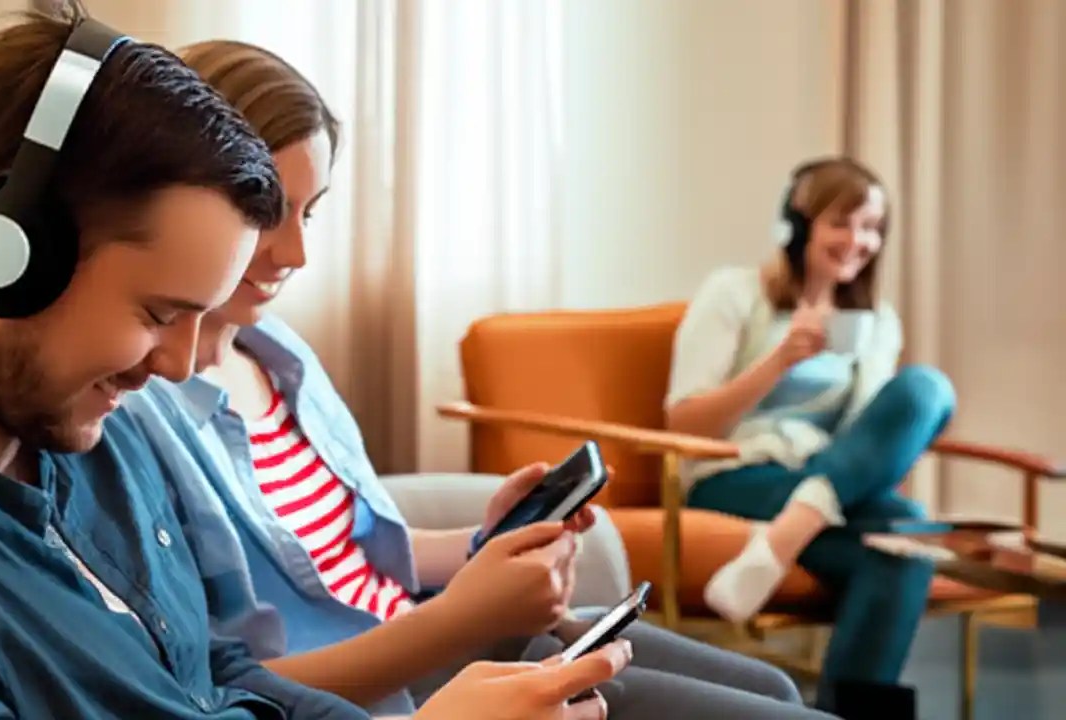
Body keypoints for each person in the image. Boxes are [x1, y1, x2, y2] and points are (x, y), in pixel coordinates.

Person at [0, 6, 628, 719]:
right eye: (157, 314)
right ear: (2, 253)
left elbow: (213, 674)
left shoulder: (80, 435)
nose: (180, 366)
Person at [121, 39, 836, 720]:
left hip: (437, 633)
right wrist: (460, 621)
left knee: (770, 683)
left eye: (310, 212)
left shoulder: (280, 354)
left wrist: (483, 544)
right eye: (269, 211)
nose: (298, 252)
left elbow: (361, 542)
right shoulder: (130, 409)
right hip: (398, 677)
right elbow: (221, 685)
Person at [665, 157, 954, 716]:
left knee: (925, 399)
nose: (857, 240)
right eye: (841, 223)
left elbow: (868, 438)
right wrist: (778, 361)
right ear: (798, 227)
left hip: (823, 476)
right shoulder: (733, 293)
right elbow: (684, 423)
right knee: (906, 529)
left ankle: (787, 539)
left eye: (872, 227)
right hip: (734, 475)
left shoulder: (876, 321)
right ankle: (803, 518)